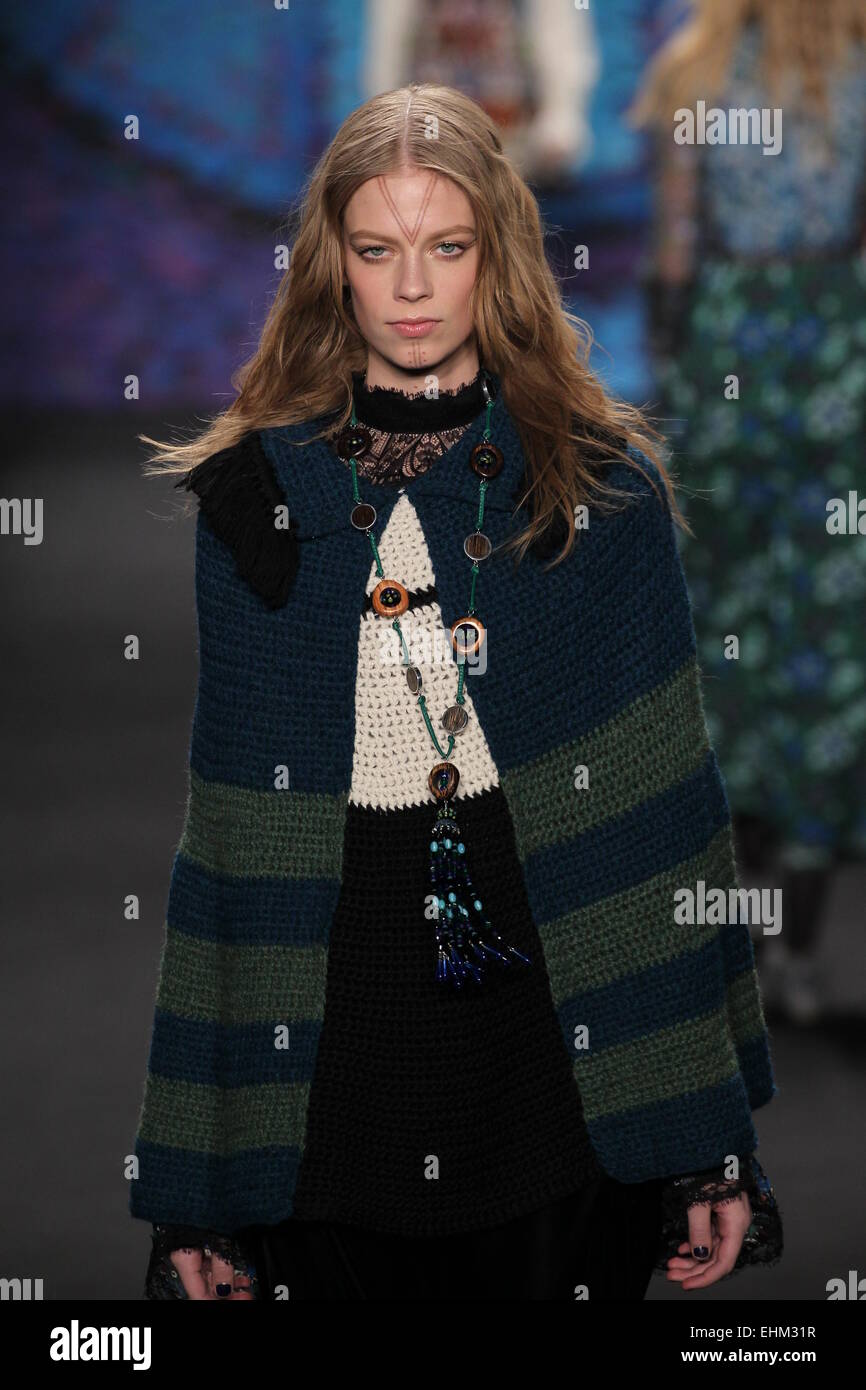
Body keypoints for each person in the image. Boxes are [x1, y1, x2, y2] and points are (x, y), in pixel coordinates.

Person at [131, 81, 782, 1301]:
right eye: (378, 250)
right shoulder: (257, 510)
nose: (414, 288)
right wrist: (196, 1192)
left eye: (446, 247)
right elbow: (234, 858)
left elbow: (656, 837)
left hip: (552, 1054)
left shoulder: (598, 499)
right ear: (335, 266)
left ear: (499, 256)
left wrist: (701, 1148)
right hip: (331, 1057)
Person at [630, 0, 866, 1025]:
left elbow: (673, 256)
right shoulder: (858, 65)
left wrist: (668, 392)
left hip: (726, 349)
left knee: (719, 647)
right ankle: (796, 959)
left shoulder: (694, 67)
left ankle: (722, 944)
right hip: (835, 353)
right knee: (822, 651)